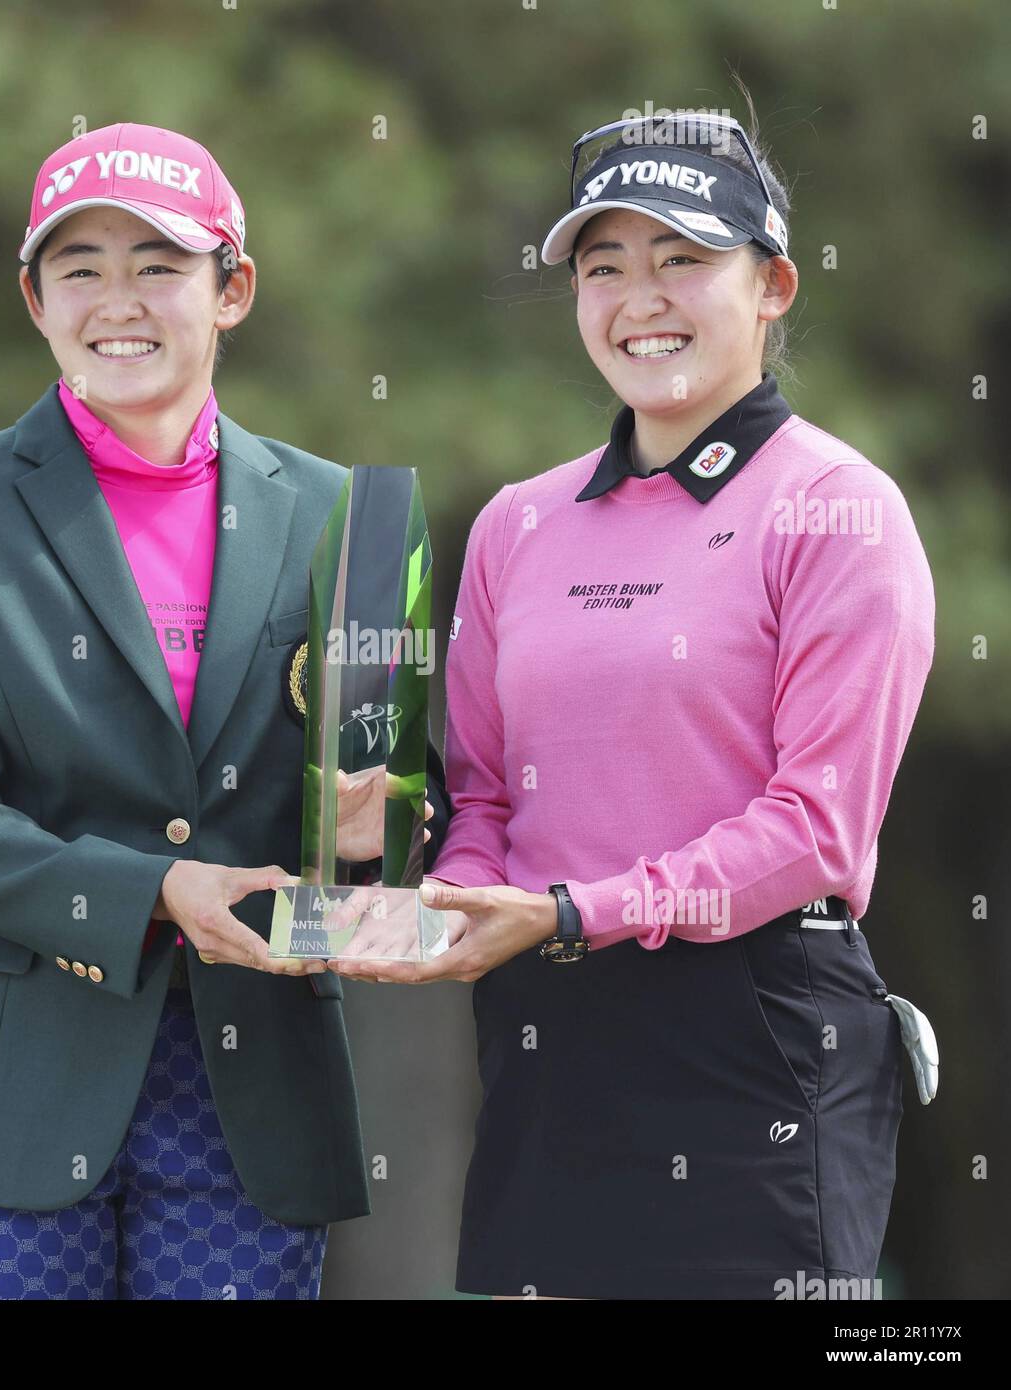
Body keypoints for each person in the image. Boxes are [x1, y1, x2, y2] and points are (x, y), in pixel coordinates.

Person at [331, 107, 936, 1299]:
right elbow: (483, 792)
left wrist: (570, 910)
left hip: (751, 1044)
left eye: (680, 259)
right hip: (546, 1046)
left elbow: (813, 829)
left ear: (770, 285)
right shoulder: (518, 523)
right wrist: (429, 890)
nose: (637, 297)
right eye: (603, 266)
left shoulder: (837, 510)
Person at [0, 122, 450, 1300]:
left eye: (160, 264)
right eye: (80, 266)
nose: (116, 299)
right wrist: (155, 891)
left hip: (251, 1098)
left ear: (233, 289)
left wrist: (383, 833)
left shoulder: (348, 515)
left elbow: (388, 824)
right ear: (34, 298)